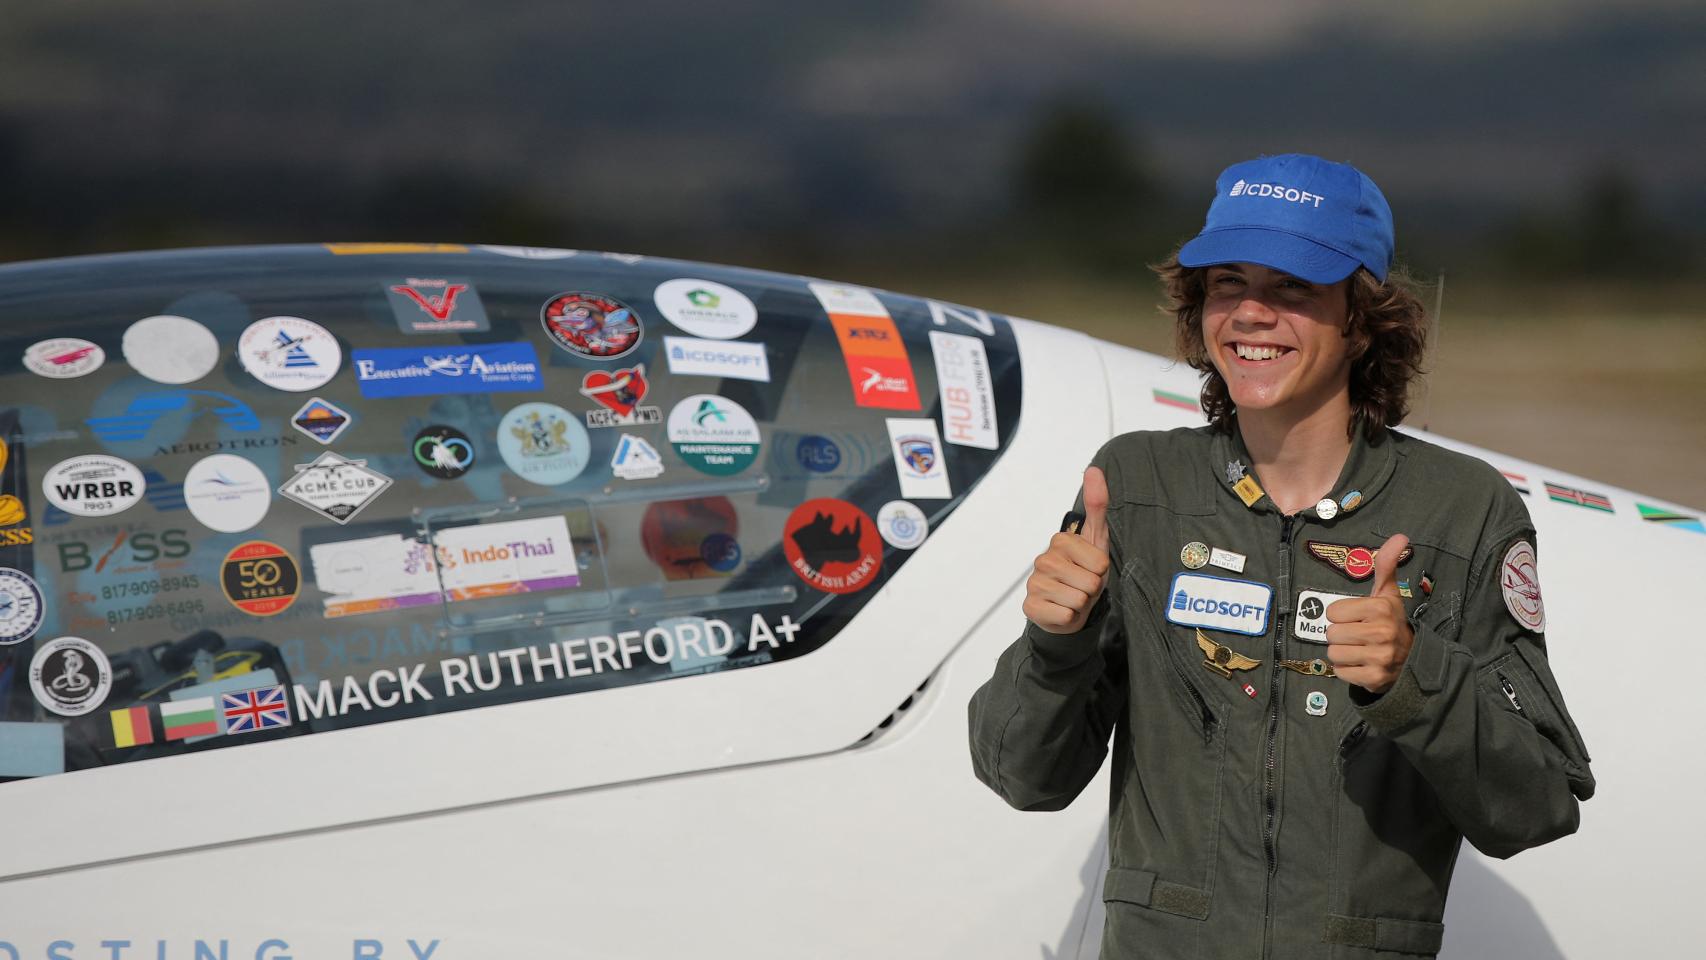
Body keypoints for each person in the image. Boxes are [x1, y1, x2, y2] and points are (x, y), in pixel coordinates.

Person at [968, 153, 1595, 959]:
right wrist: (1055, 644)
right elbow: (1025, 778)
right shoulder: (1135, 486)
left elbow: (1537, 809)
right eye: (1227, 283)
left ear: (1363, 318)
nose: (1251, 314)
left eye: (1294, 288)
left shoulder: (1463, 509)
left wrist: (1415, 680)